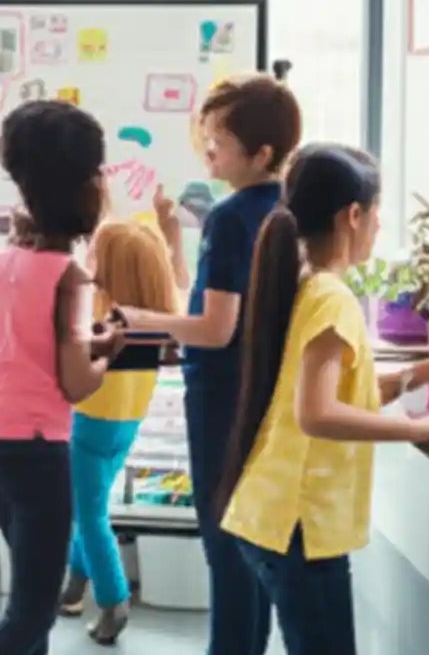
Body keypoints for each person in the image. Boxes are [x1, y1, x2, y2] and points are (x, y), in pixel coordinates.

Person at [217, 144, 429, 655]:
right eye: (377, 213)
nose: (379, 226)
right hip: (296, 524)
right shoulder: (332, 297)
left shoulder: (311, 287)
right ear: (353, 215)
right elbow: (317, 413)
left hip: (276, 517)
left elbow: (343, 393)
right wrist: (420, 429)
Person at [116, 74, 302, 655]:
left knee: (223, 549)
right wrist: (173, 242)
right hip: (265, 398)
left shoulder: (228, 218)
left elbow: (216, 329)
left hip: (223, 399)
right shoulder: (287, 209)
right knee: (250, 548)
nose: (208, 148)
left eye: (218, 138)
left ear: (262, 153)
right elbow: (222, 308)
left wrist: (141, 319)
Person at [0, 99, 123, 655]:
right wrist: (109, 352)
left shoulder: (2, 261)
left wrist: (79, 344)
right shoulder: (72, 276)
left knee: (28, 610)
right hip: (38, 454)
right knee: (30, 619)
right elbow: (78, 383)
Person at [57, 220, 177, 644]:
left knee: (89, 513)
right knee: (87, 504)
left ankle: (113, 601)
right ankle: (73, 586)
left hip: (89, 422)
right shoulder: (156, 324)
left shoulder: (99, 323)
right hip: (126, 425)